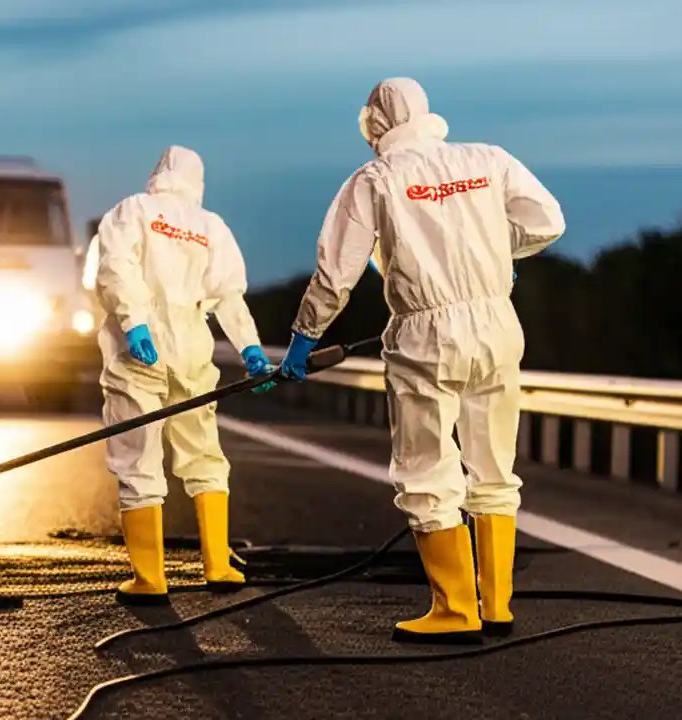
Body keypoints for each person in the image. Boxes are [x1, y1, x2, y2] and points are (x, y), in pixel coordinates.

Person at [277, 78, 565, 642]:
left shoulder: (375, 179)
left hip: (425, 335)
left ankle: (455, 610)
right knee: (493, 467)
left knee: (426, 469)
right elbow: (547, 222)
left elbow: (336, 274)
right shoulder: (487, 159)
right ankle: (495, 604)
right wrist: (492, 253)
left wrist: (303, 339)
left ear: (375, 124)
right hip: (497, 322)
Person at [95, 145, 273, 604]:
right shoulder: (210, 225)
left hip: (142, 345)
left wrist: (134, 323)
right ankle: (218, 566)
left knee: (138, 454)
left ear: (158, 174)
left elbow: (115, 269)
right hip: (193, 343)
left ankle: (149, 578)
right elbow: (229, 296)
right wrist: (250, 347)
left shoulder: (134, 210)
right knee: (203, 451)